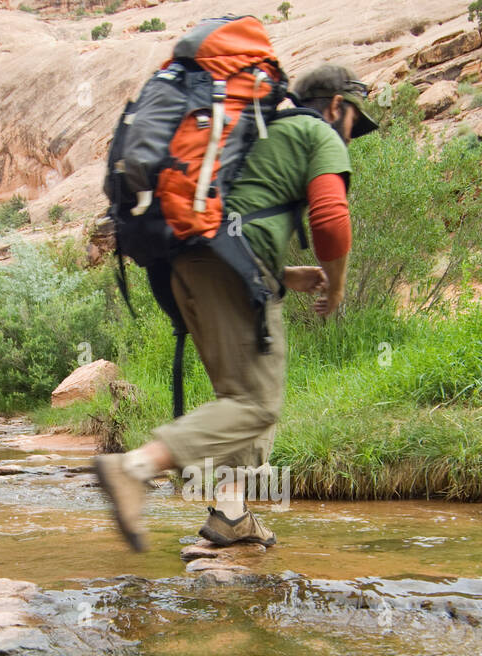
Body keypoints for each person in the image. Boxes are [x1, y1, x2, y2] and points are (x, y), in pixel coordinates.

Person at [95, 65, 378, 553]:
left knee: (240, 397)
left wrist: (285, 275)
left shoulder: (253, 133)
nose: (353, 131)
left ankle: (230, 516)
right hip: (225, 268)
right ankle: (133, 469)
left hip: (189, 267)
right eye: (354, 118)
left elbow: (235, 213)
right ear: (336, 106)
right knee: (256, 405)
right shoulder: (317, 132)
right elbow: (331, 219)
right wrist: (335, 287)